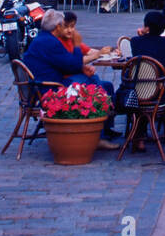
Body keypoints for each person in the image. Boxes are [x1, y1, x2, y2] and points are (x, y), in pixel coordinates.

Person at [21, 10, 120, 146]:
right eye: (63, 25)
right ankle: (98, 136)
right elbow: (72, 65)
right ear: (57, 27)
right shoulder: (50, 42)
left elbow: (65, 63)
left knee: (105, 85)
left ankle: (105, 128)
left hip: (45, 84)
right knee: (95, 86)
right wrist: (77, 44)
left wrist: (81, 67)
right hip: (49, 88)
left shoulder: (43, 39)